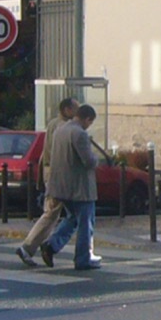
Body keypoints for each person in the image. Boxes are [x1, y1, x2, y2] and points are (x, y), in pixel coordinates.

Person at [15, 96, 78, 268]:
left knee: (60, 214)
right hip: (59, 175)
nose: (77, 112)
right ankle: (31, 247)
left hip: (51, 173)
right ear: (66, 110)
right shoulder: (63, 127)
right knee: (53, 213)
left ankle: (46, 246)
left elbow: (44, 152)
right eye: (75, 108)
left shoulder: (52, 124)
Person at [42, 104, 103, 271]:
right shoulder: (80, 134)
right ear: (86, 119)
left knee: (72, 219)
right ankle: (83, 259)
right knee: (86, 222)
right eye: (90, 122)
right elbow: (88, 161)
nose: (89, 126)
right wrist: (97, 159)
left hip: (60, 185)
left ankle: (51, 245)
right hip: (80, 188)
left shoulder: (60, 130)